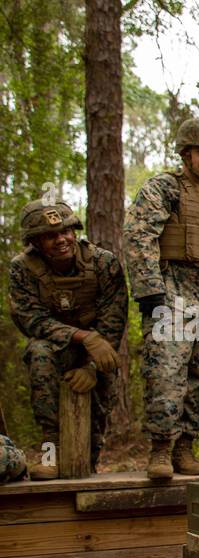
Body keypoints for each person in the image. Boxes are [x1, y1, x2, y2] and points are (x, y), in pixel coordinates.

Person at [124, 118, 199, 479]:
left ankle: (185, 445)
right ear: (186, 152)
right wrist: (149, 289)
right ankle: (161, 448)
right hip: (173, 287)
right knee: (165, 371)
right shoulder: (164, 188)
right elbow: (139, 234)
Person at [7, 200, 127, 479]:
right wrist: (81, 336)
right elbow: (30, 320)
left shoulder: (103, 262)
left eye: (66, 232)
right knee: (38, 352)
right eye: (51, 236)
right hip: (57, 346)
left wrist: (92, 368)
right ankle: (51, 453)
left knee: (94, 428)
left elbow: (114, 319)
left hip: (96, 351)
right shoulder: (22, 269)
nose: (61, 240)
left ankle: (88, 466)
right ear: (35, 242)